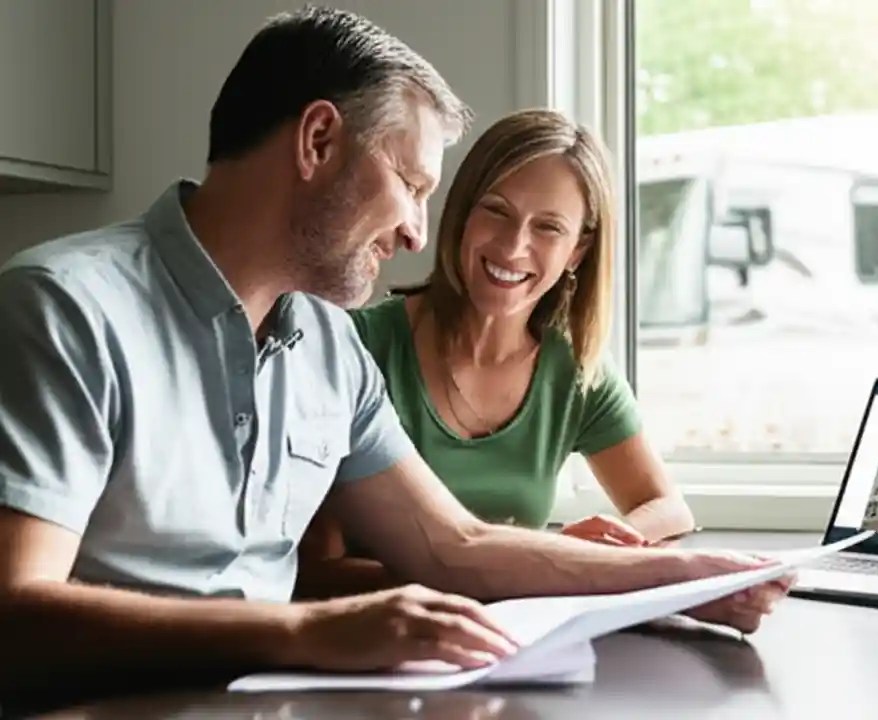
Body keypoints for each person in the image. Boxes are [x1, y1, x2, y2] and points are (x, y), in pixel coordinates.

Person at [0, 6, 792, 694]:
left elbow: (456, 545)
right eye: (411, 184)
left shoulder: (330, 346)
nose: (418, 229)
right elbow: (15, 612)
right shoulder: (65, 308)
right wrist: (307, 633)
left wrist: (680, 580)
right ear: (318, 140)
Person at [301, 109, 694, 568]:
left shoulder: (576, 371)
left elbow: (669, 509)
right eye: (496, 211)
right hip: (382, 625)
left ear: (578, 252)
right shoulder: (357, 348)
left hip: (516, 628)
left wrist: (602, 543)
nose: (512, 247)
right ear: (463, 215)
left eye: (548, 227)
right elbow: (316, 563)